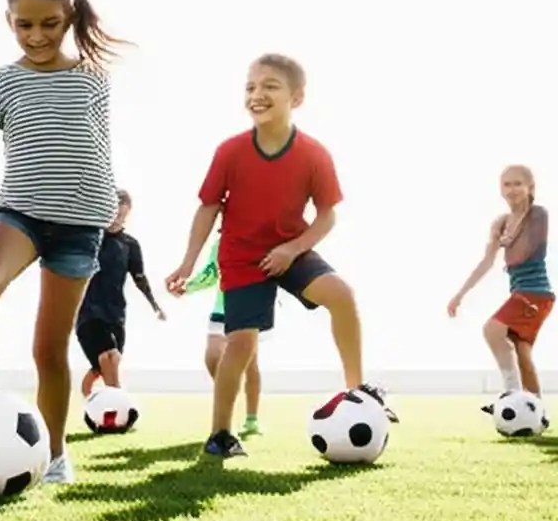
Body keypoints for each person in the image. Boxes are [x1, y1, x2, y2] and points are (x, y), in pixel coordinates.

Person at [0, 0, 128, 484]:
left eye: (49, 24)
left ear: (68, 18)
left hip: (81, 224)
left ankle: (56, 453)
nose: (36, 35)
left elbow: (99, 147)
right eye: (25, 25)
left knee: (49, 348)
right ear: (9, 20)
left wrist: (116, 201)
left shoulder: (93, 78)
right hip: (20, 212)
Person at [164, 53, 396, 459]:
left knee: (341, 294)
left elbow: (327, 217)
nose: (257, 94)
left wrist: (292, 249)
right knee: (240, 345)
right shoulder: (230, 151)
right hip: (241, 259)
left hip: (292, 248)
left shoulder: (314, 153)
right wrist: (187, 263)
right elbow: (208, 208)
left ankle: (358, 389)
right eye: (250, 87)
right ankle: (221, 434)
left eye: (270, 86)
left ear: (297, 97)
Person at [448, 165, 551, 400]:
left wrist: (506, 241)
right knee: (522, 353)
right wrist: (460, 294)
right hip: (520, 293)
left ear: (530, 188)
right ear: (500, 189)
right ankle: (535, 408)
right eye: (507, 184)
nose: (512, 189)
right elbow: (487, 262)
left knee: (492, 330)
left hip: (535, 293)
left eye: (518, 184)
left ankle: (512, 393)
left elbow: (526, 251)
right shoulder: (501, 223)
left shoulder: (538, 215)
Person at [74, 188, 164, 397]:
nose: (117, 219)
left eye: (122, 215)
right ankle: (118, 402)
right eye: (114, 213)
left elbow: (139, 278)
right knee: (109, 356)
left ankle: (92, 405)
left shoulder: (129, 245)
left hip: (116, 313)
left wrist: (155, 305)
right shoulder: (92, 237)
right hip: (88, 311)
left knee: (101, 367)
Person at [182, 234, 263, 436]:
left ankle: (251, 419)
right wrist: (188, 286)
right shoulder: (220, 244)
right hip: (221, 311)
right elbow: (211, 273)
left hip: (248, 311)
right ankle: (227, 407)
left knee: (250, 366)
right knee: (212, 357)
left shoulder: (258, 240)